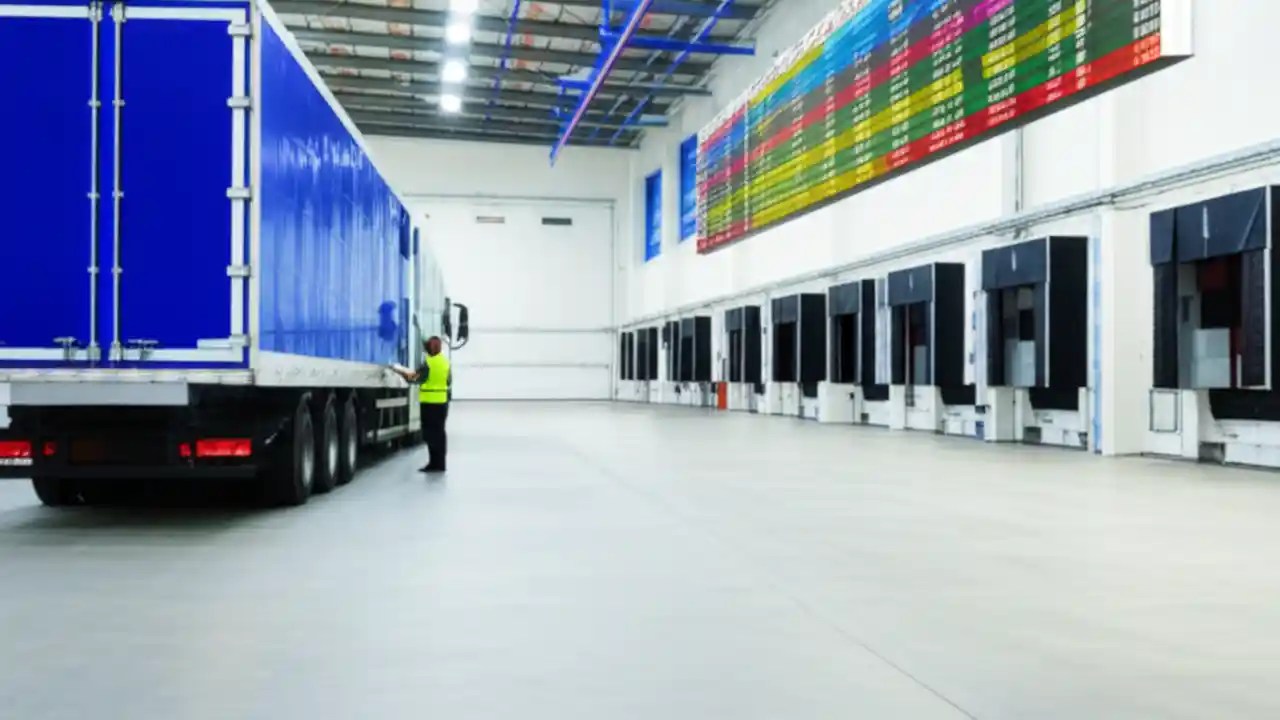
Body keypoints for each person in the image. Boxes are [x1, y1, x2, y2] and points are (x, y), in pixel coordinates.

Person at [393, 336, 451, 473]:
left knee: (430, 435)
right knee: (440, 434)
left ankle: (433, 463)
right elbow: (449, 381)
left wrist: (398, 370)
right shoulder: (445, 362)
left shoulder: (429, 363)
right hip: (442, 403)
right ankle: (440, 464)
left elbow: (413, 378)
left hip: (429, 404)